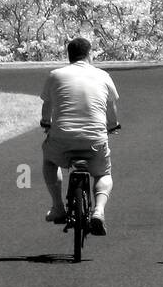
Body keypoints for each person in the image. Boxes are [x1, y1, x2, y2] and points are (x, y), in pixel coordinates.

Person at [40, 37, 120, 235]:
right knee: (103, 173)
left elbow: (46, 106)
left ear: (69, 56)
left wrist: (46, 123)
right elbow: (111, 109)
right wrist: (113, 126)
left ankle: (58, 207)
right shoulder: (103, 75)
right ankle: (98, 211)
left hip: (62, 137)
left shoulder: (55, 75)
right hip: (94, 139)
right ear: (89, 54)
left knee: (50, 161)